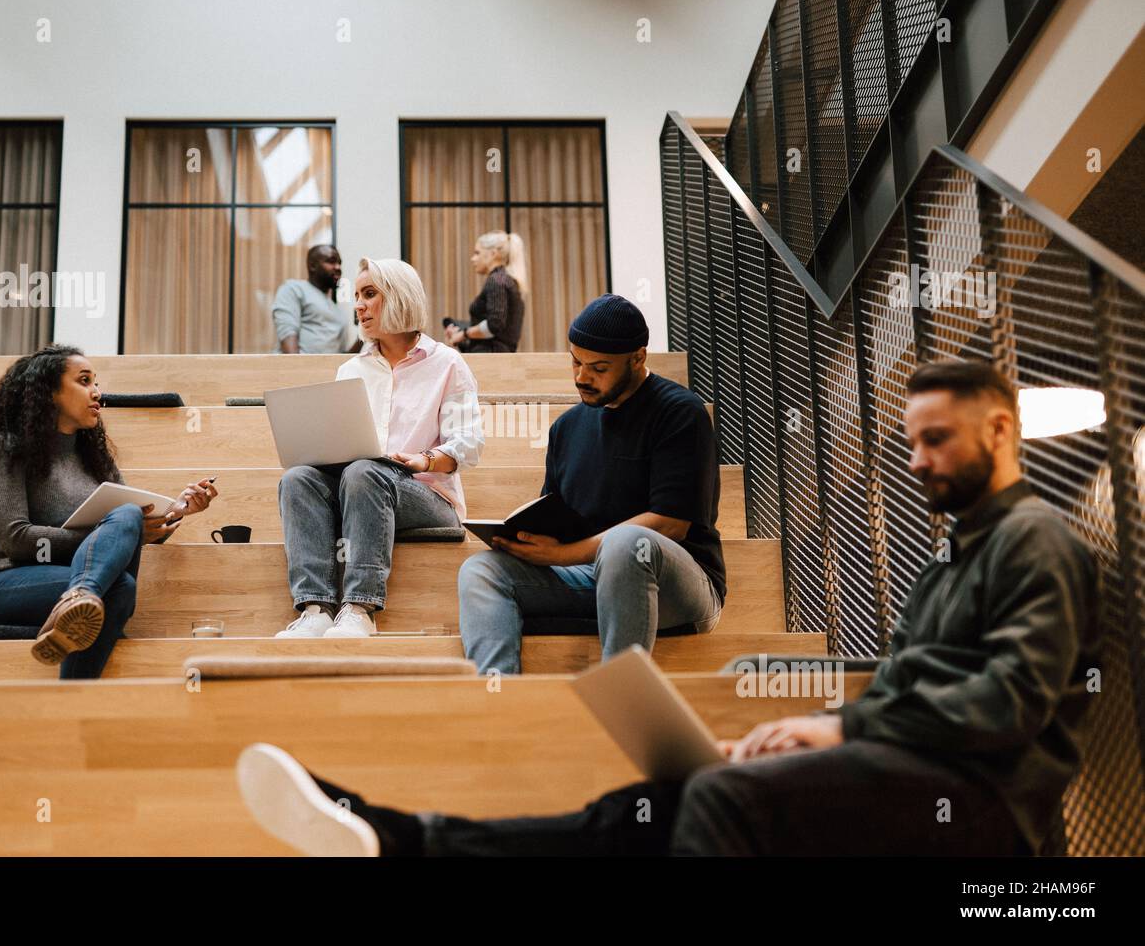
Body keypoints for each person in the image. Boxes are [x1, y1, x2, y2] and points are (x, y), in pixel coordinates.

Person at [236, 360, 1102, 856]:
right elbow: (898, 690)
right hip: (914, 765)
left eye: (936, 440)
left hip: (989, 803)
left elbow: (1007, 705)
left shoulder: (1036, 544)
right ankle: (401, 837)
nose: (916, 460)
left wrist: (839, 731)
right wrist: (805, 727)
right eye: (909, 441)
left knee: (720, 802)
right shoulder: (950, 560)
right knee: (647, 803)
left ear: (1000, 433)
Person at [458, 294, 725, 675]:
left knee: (626, 544)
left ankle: (619, 694)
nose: (582, 377)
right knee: (480, 570)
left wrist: (561, 556)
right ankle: (500, 697)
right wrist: (527, 542)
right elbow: (552, 514)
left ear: (638, 358)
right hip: (593, 578)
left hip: (679, 585)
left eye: (599, 367)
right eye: (576, 361)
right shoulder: (566, 428)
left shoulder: (679, 413)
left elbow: (671, 524)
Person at [0, 345, 218, 678]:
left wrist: (176, 510)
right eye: (84, 381)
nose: (98, 392)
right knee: (121, 549)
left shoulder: (95, 459)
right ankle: (81, 607)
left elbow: (123, 530)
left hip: (77, 583)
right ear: (49, 390)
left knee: (123, 554)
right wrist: (112, 530)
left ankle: (78, 611)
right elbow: (17, 542)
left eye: (96, 382)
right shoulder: (4, 448)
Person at [275, 258, 485, 639]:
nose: (358, 305)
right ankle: (316, 608)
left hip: (427, 496)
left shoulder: (447, 364)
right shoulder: (351, 369)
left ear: (400, 297)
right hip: (361, 487)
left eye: (369, 294)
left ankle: (360, 608)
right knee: (298, 478)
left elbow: (468, 444)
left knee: (364, 471)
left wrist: (424, 459)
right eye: (356, 296)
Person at [443, 230, 527, 353]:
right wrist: (461, 334)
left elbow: (494, 325)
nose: (473, 259)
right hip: (499, 357)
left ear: (493, 254)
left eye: (477, 253)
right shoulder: (507, 281)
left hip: (490, 360)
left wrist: (464, 334)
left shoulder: (497, 281)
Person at [272, 244, 360, 354]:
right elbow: (287, 336)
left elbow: (342, 360)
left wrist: (363, 334)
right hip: (295, 369)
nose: (337, 267)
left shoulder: (339, 312)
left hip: (327, 371)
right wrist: (298, 370)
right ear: (312, 266)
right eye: (331, 261)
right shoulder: (294, 289)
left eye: (339, 263)